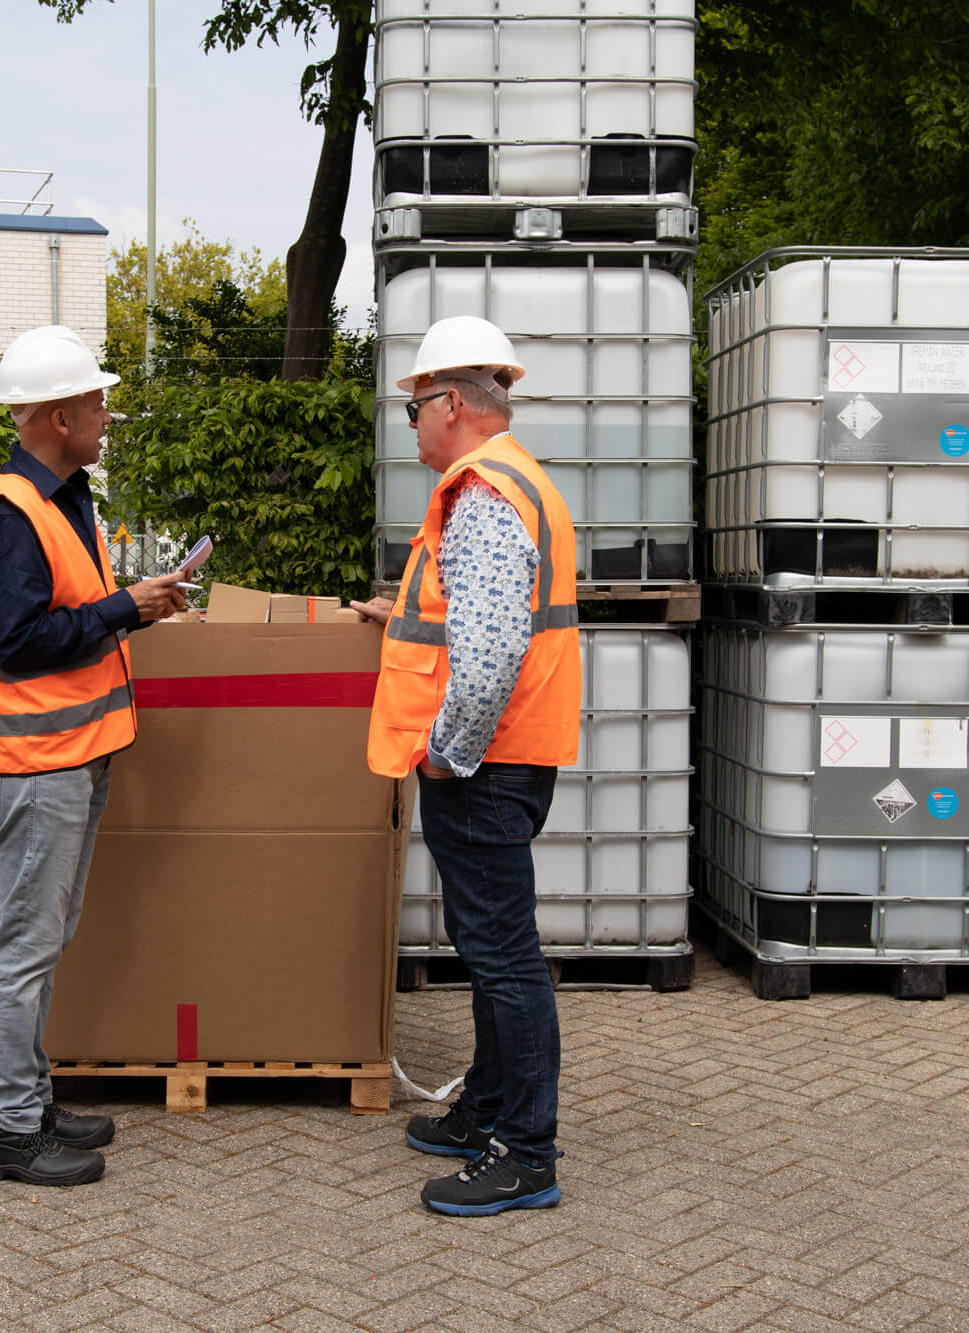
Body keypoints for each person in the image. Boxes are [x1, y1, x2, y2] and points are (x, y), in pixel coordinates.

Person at [353, 315, 580, 1217]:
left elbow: (488, 655)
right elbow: (473, 623)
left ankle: (525, 1151)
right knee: (492, 951)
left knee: (503, 957)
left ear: (452, 403)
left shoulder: (482, 492)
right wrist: (396, 620)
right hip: (511, 754)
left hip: (480, 762)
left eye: (414, 408)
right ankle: (485, 1108)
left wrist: (447, 753)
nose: (409, 424)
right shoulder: (518, 480)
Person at [0, 325, 190, 1186]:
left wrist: (131, 605)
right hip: (32, 766)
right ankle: (7, 1134)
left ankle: (26, 1096)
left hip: (67, 756)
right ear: (55, 415)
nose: (106, 414)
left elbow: (71, 612)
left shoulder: (64, 496)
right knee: (22, 945)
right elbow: (18, 643)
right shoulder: (10, 517)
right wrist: (124, 608)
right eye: (96, 401)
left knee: (41, 939)